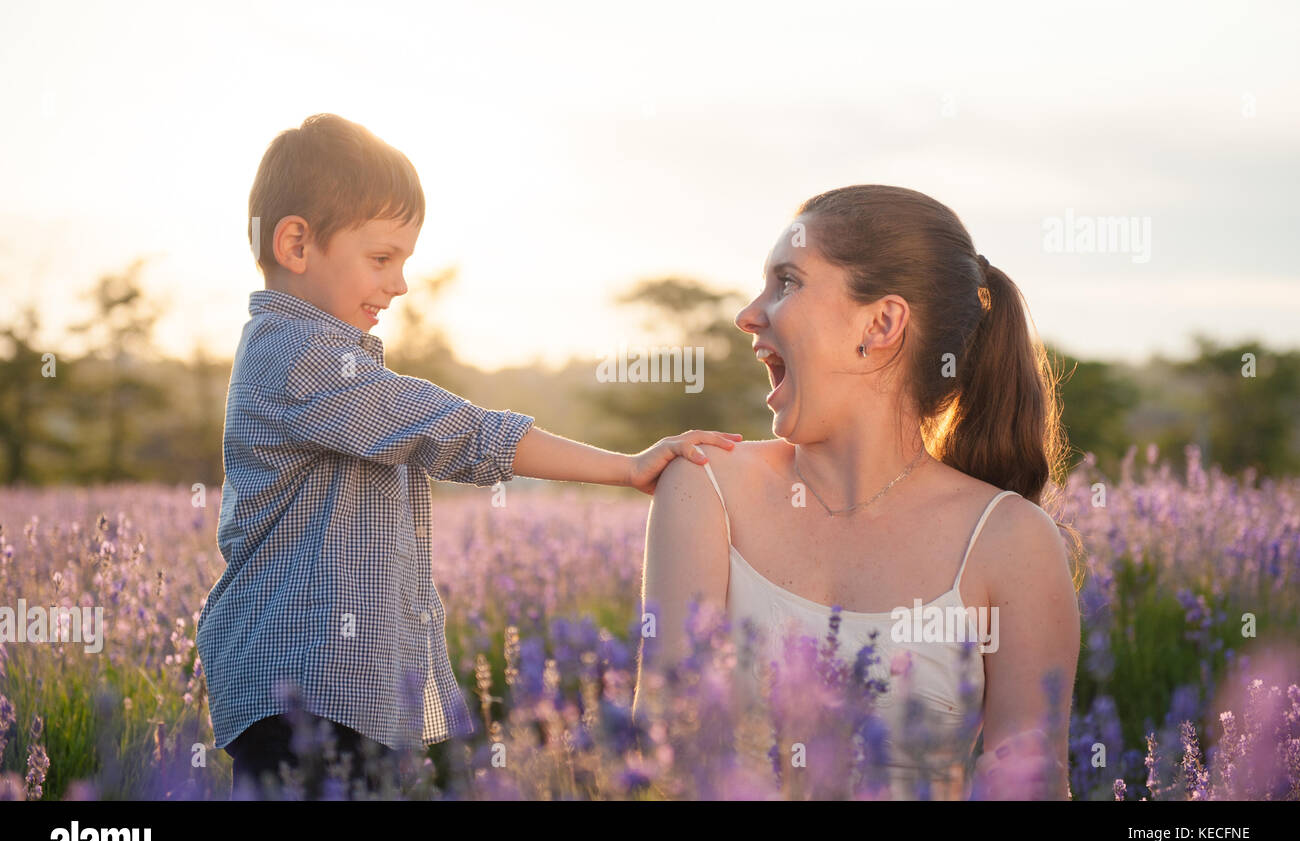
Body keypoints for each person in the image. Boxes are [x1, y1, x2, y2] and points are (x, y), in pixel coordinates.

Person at [196, 113, 741, 800]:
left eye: (405, 261)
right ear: (297, 243)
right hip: (301, 689)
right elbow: (453, 429)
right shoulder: (296, 355)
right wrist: (627, 466)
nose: (398, 283)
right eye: (381, 257)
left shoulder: (318, 357)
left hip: (337, 689)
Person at [634, 185, 1082, 800]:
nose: (748, 314)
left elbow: (1029, 787)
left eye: (787, 282)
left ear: (882, 323)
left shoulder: (1011, 539)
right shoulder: (705, 483)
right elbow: (667, 742)